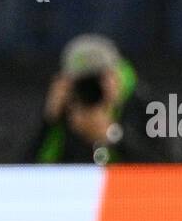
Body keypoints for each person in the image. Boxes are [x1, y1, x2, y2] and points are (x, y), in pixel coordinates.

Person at [31, 34, 156, 164]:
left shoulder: (142, 106)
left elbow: (165, 172)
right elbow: (23, 172)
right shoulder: (63, 110)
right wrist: (49, 122)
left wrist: (113, 135)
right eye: (83, 82)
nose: (92, 88)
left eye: (99, 79)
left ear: (116, 77)